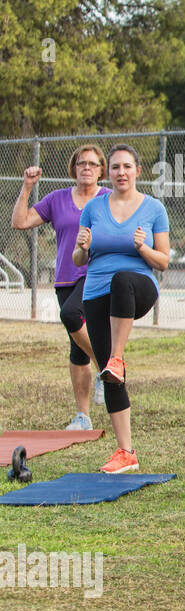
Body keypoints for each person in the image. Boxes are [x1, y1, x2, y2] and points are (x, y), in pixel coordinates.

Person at [71, 144, 170, 473]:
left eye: (127, 166)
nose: (121, 172)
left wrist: (143, 247)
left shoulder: (153, 208)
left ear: (137, 171)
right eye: (115, 167)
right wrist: (82, 249)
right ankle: (126, 452)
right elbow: (78, 260)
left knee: (122, 279)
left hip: (138, 286)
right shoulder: (93, 209)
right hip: (96, 293)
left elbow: (164, 261)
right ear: (107, 172)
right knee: (110, 378)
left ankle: (118, 355)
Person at [10, 146, 110, 429]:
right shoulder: (57, 199)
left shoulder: (109, 200)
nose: (86, 168)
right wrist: (27, 188)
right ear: (74, 169)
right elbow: (19, 222)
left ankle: (107, 367)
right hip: (66, 278)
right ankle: (83, 416)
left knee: (69, 314)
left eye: (92, 164)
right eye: (81, 163)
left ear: (102, 169)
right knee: (76, 348)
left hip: (98, 275)